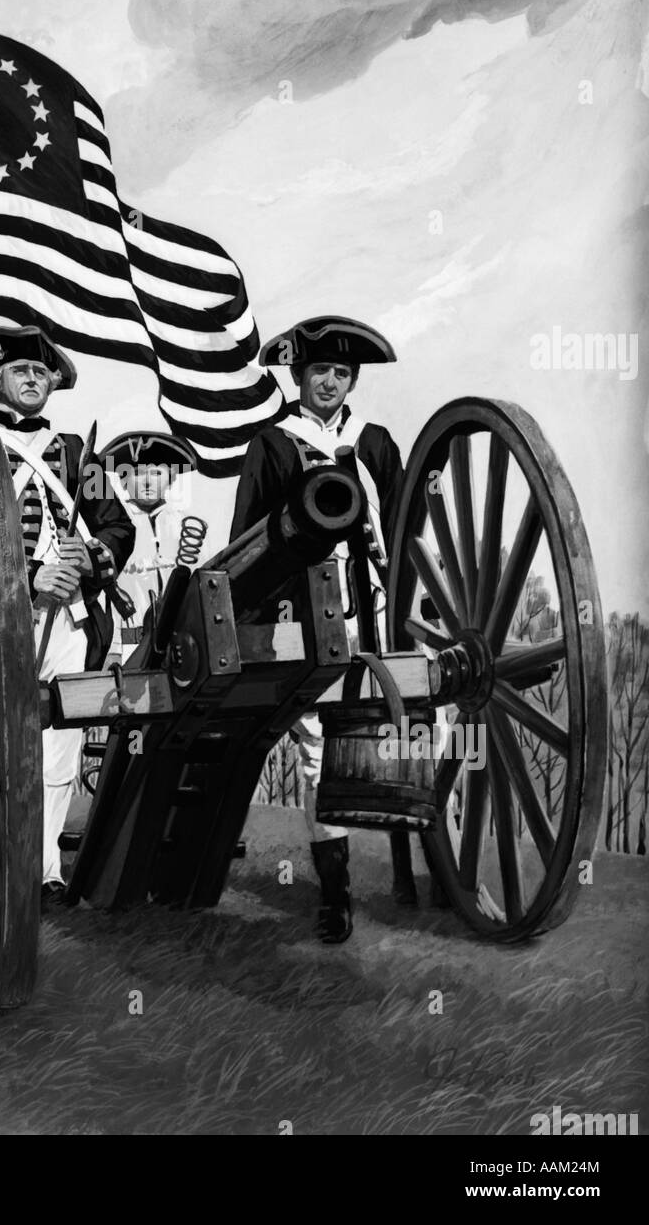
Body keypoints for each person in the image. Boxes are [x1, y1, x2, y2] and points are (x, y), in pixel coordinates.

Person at [0, 326, 134, 905]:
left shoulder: (78, 452)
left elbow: (116, 525)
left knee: (59, 751)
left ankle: (46, 865)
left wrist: (91, 556)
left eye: (41, 372)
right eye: (20, 370)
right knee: (2, 743)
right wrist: (26, 579)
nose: (33, 380)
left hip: (70, 618)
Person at [230, 315, 403, 943]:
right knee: (316, 754)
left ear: (351, 379)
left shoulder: (376, 442)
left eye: (340, 372)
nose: (328, 382)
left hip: (378, 608)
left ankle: (413, 874)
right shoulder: (273, 445)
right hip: (306, 614)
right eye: (318, 371)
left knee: (411, 733)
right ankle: (336, 896)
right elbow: (246, 539)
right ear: (299, 377)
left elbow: (408, 523)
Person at [99, 431, 205, 656]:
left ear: (172, 478)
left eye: (157, 473)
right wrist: (113, 652)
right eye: (136, 473)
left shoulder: (184, 525)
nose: (147, 482)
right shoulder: (115, 529)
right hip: (128, 648)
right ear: (123, 480)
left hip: (183, 645)